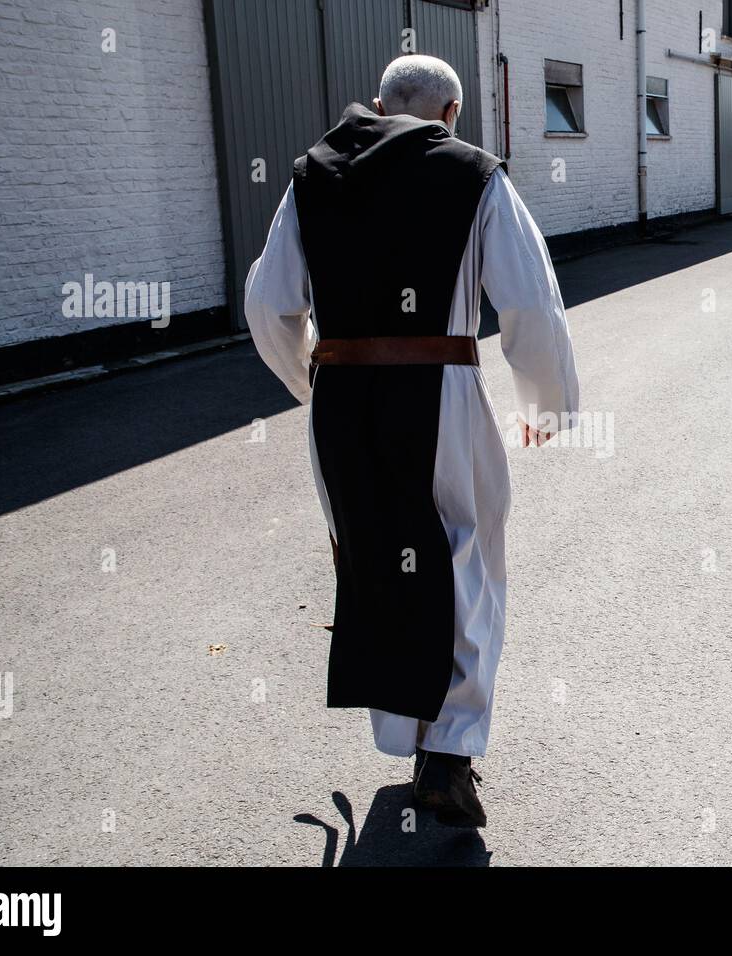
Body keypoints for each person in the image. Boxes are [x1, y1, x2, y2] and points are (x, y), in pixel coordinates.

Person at [243, 54, 579, 828]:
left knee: (376, 560)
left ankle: (407, 733)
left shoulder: (312, 177)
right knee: (467, 565)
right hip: (442, 392)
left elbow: (267, 306)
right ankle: (451, 754)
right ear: (453, 112)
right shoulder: (475, 176)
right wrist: (549, 405)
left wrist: (312, 382)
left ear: (377, 103)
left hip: (342, 404)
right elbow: (531, 305)